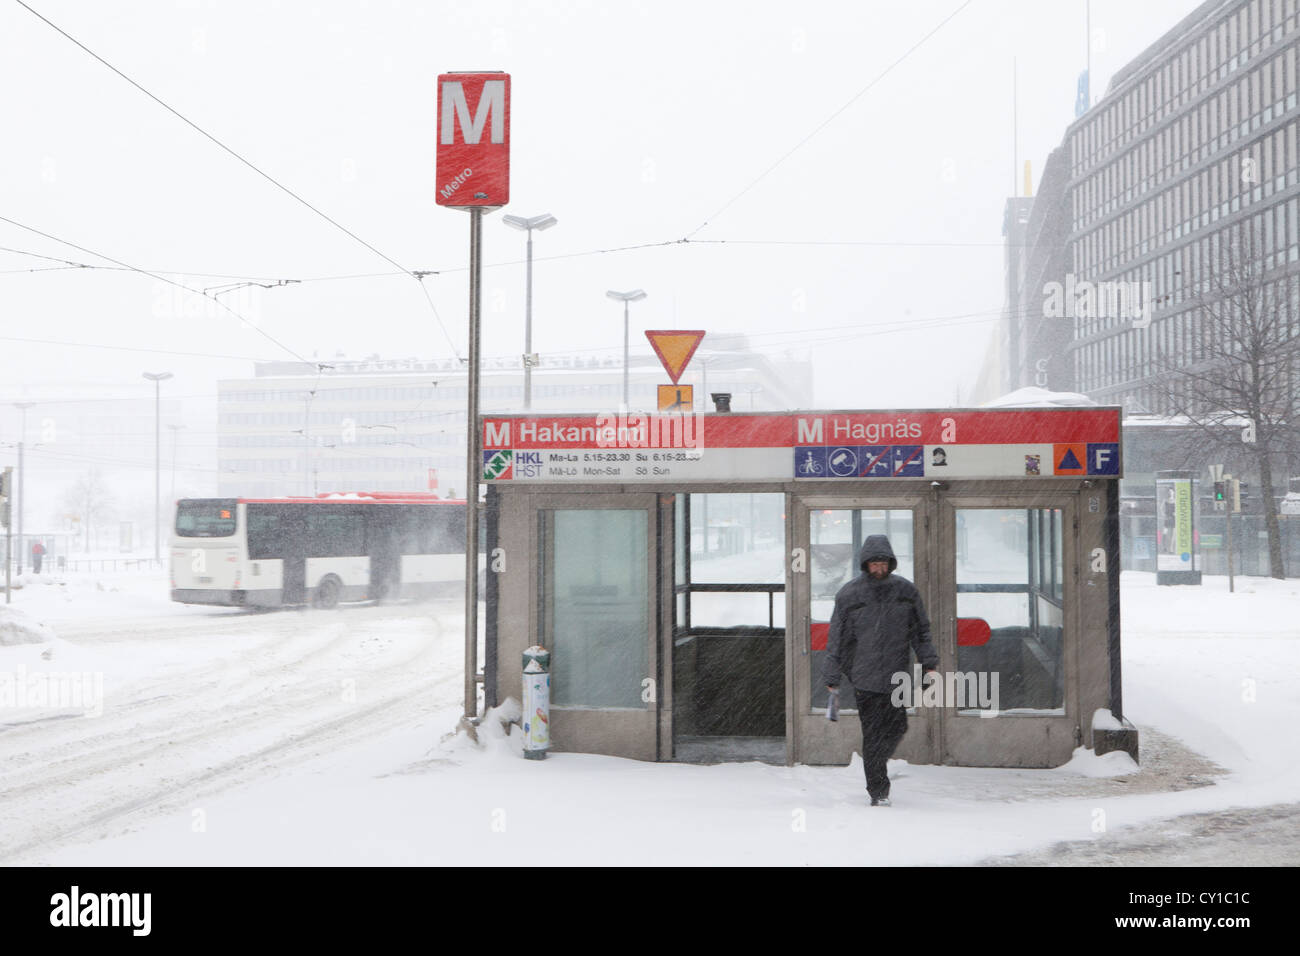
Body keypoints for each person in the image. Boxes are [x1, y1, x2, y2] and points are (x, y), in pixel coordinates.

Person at [822, 534, 939, 806]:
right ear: (865, 564)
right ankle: (879, 790)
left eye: (883, 563)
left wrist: (929, 664)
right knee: (874, 734)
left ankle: (876, 763)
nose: (879, 568)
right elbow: (836, 638)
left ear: (890, 563)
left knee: (898, 726)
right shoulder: (850, 595)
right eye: (874, 564)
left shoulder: (906, 592)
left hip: (897, 676)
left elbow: (921, 632)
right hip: (864, 677)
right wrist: (832, 675)